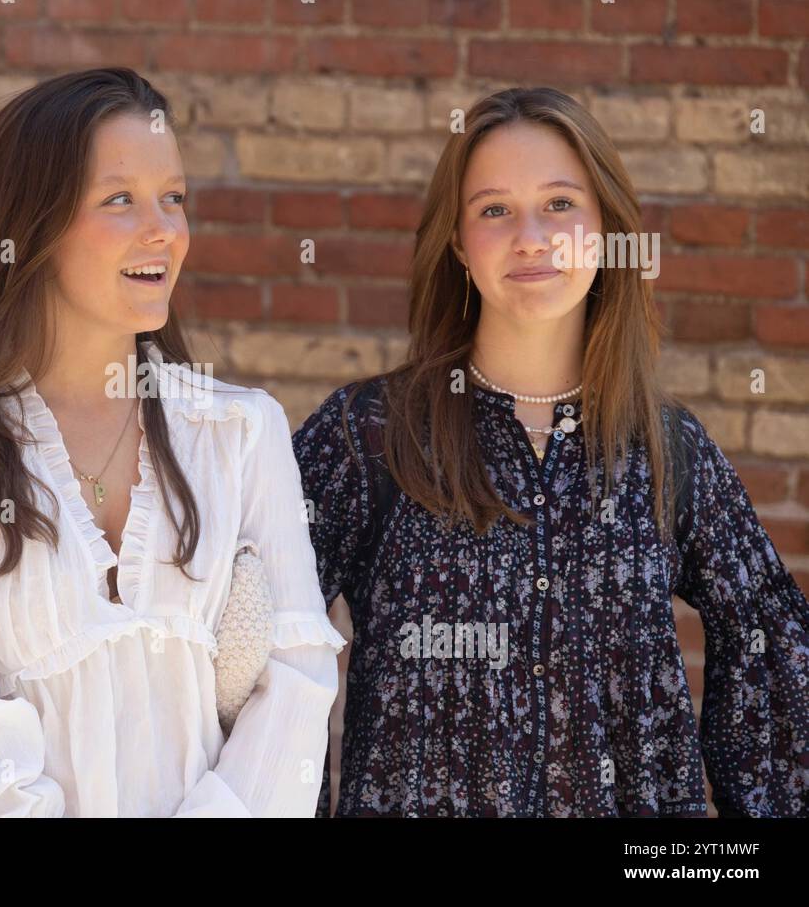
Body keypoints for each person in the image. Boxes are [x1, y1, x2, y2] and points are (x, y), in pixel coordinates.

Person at [294, 86, 809, 817]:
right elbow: (263, 654)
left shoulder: (665, 449)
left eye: (560, 204)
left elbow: (772, 647)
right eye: (494, 210)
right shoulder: (370, 436)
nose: (531, 238)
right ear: (457, 242)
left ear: (606, 230)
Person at [0, 67, 345, 817]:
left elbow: (297, 682)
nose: (164, 229)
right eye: (120, 200)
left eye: (173, 197)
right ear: (30, 227)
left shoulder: (241, 432)